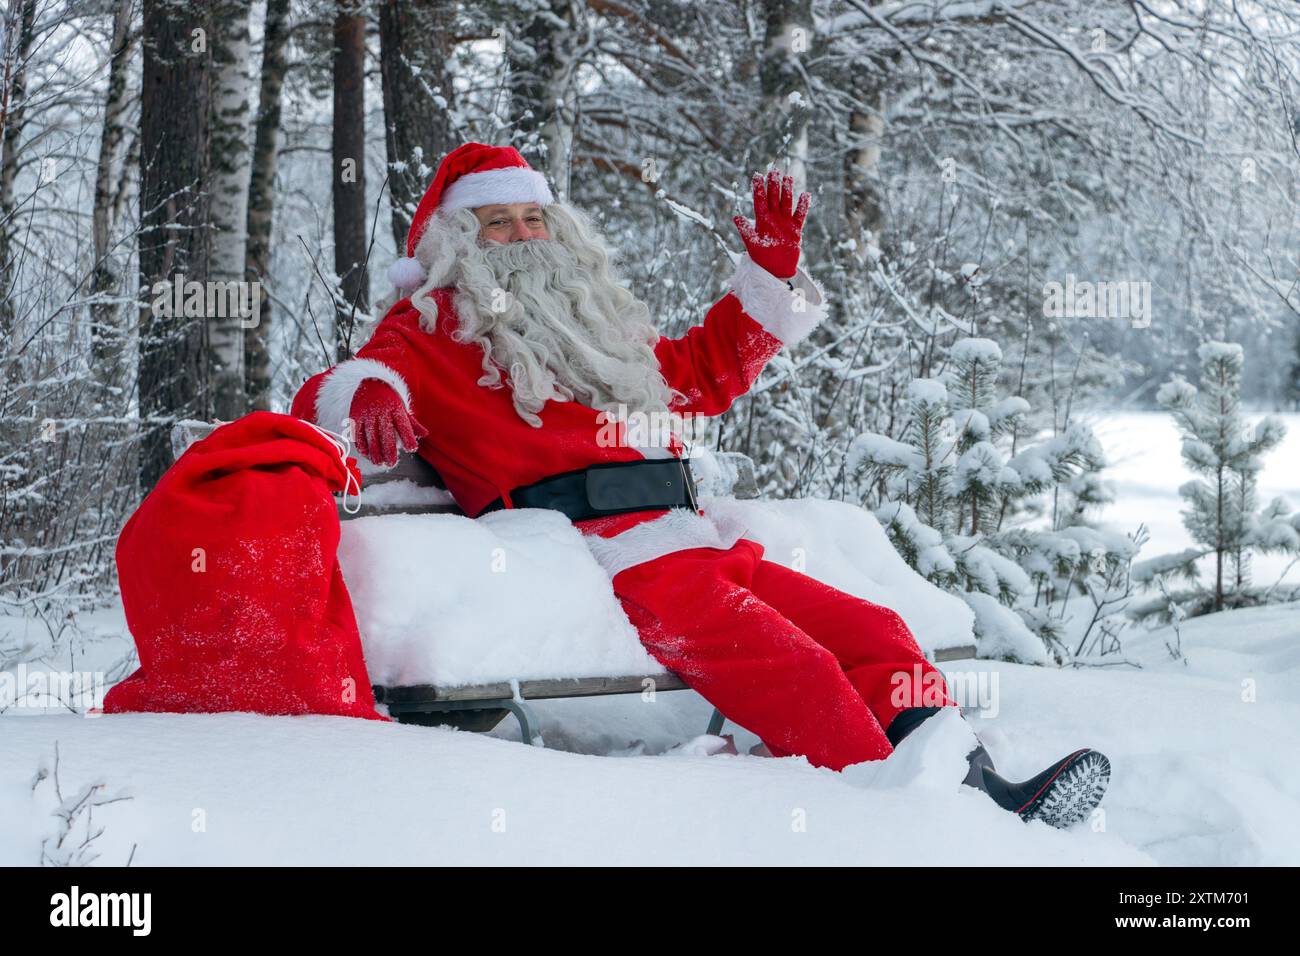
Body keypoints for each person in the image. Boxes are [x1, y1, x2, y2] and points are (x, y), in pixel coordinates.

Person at [291, 142, 1110, 828]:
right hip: (598, 551)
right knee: (792, 664)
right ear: (456, 240)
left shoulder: (599, 330)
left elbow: (703, 375)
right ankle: (900, 816)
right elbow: (350, 387)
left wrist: (768, 274)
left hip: (692, 537)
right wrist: (367, 393)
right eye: (496, 222)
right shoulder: (429, 327)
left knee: (872, 631)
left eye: (532, 217)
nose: (520, 235)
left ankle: (976, 786)